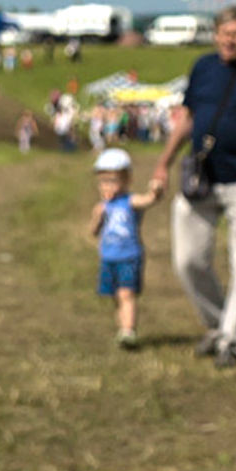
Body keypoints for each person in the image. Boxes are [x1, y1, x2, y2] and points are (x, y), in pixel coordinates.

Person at [152, 5, 236, 368]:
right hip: (200, 178)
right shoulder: (203, 67)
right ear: (216, 34)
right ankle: (219, 325)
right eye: (225, 33)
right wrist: (163, 163)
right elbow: (187, 118)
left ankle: (233, 343)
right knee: (188, 261)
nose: (230, 40)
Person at [90, 148, 164, 350]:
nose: (107, 186)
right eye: (103, 181)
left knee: (126, 294)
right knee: (116, 297)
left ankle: (128, 331)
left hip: (129, 257)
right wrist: (97, 217)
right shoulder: (103, 206)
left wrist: (156, 191)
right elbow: (93, 232)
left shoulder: (130, 201)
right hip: (108, 257)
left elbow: (148, 200)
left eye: (112, 181)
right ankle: (123, 329)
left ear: (126, 180)